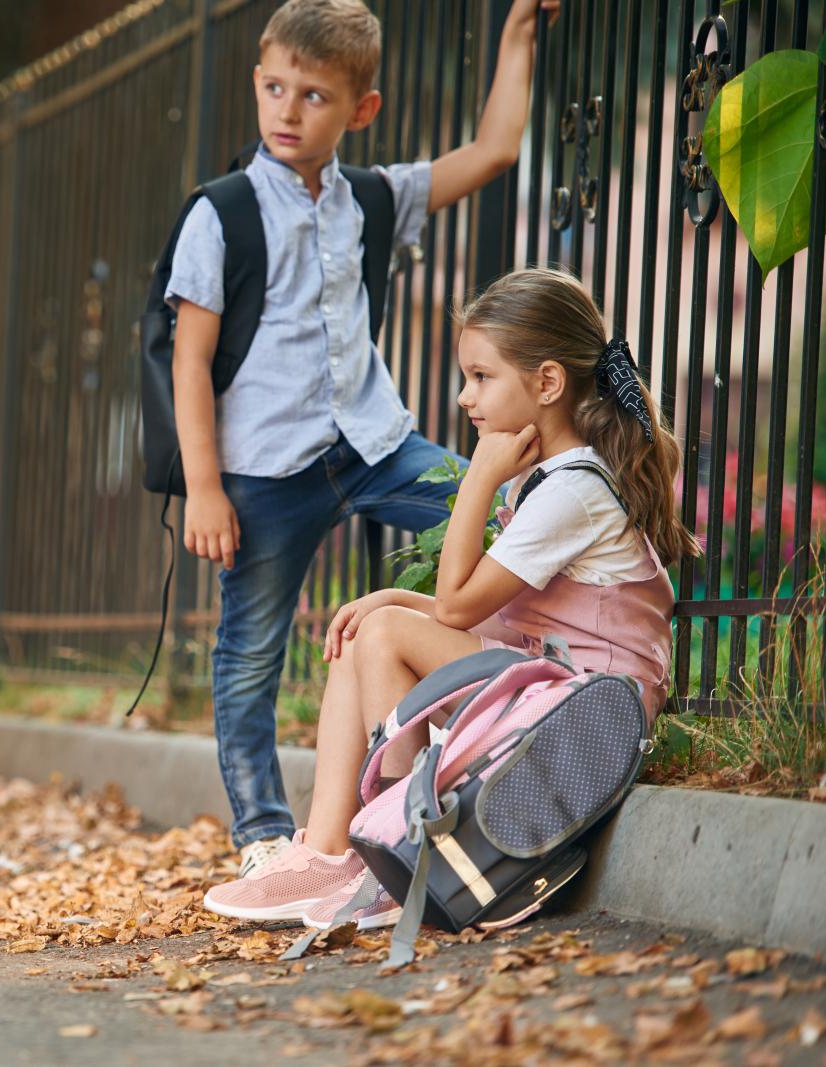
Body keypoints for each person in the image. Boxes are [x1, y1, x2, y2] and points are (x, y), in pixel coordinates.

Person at [167, 0, 559, 875]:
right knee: (248, 655)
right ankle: (268, 838)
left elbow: (493, 152)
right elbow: (189, 360)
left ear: (360, 109)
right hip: (264, 472)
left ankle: (513, 720)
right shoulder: (220, 214)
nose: (286, 110)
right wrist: (204, 487)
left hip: (376, 445)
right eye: (274, 88)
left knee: (493, 507)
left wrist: (517, 35)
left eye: (313, 95)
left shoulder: (375, 197)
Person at [201, 266, 699, 928]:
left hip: (587, 716)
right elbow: (492, 611)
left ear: (547, 382)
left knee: (382, 635)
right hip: (550, 687)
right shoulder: (553, 480)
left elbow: (461, 607)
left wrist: (482, 477)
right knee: (368, 631)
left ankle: (406, 846)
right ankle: (330, 852)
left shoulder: (574, 489)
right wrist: (389, 599)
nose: (466, 396)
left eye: (481, 376)